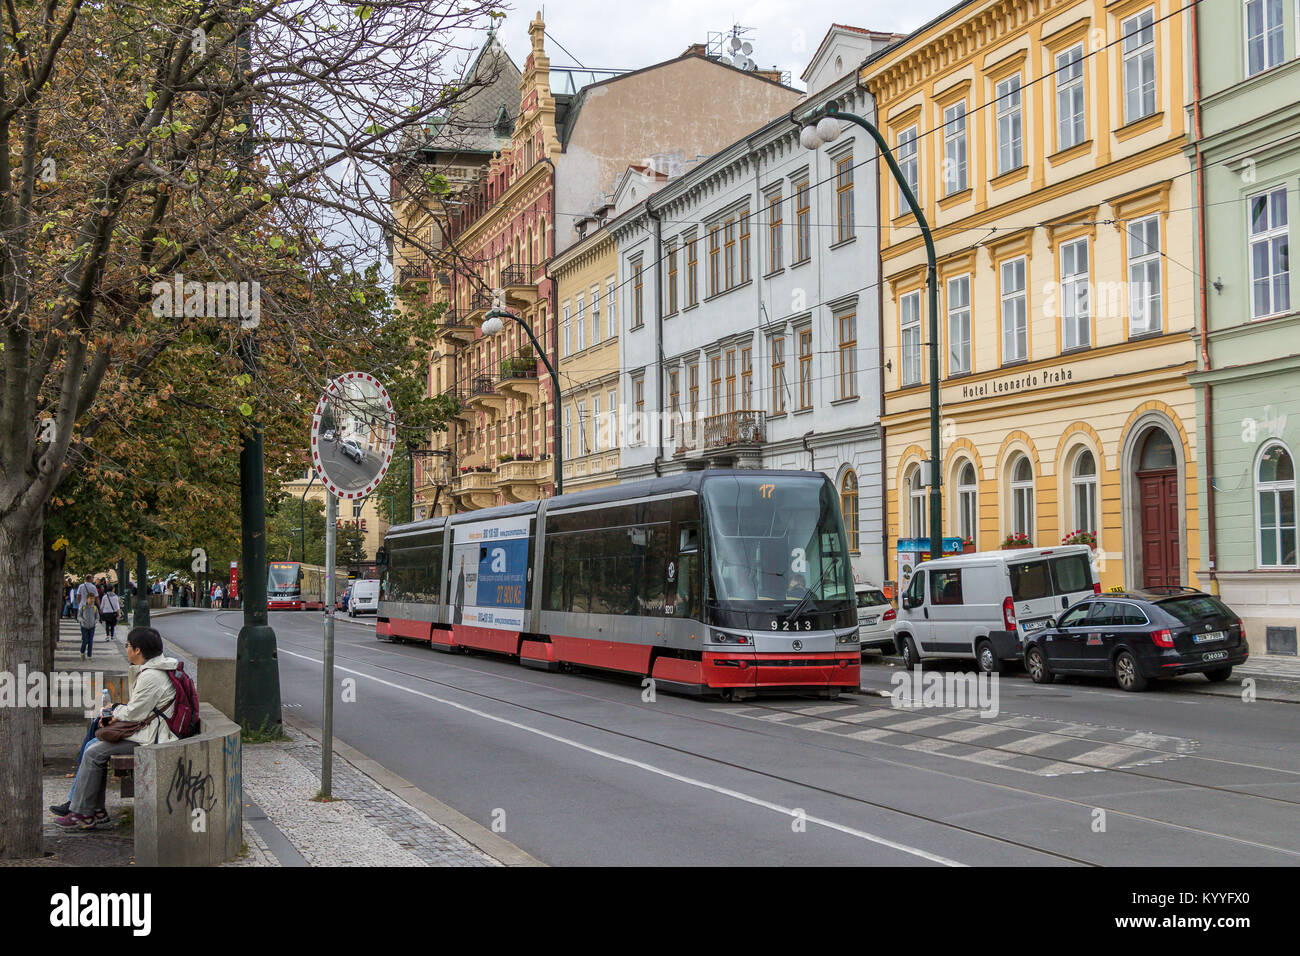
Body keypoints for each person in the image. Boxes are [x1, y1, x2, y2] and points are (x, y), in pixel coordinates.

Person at [54, 627, 179, 830]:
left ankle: (82, 814)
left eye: (128, 646)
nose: (127, 649)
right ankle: (95, 809)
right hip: (152, 731)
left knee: (94, 751)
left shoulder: (152, 676)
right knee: (95, 745)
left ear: (137, 650)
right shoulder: (156, 670)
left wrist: (113, 710)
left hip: (154, 738)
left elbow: (133, 713)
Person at [76, 594, 99, 660]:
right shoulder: (83, 607)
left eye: (93, 599)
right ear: (87, 599)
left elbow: (97, 617)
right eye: (90, 598)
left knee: (90, 641)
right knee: (85, 640)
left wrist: (95, 621)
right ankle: (82, 652)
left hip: (92, 626)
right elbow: (79, 616)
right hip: (84, 626)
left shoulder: (94, 608)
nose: (92, 600)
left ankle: (89, 656)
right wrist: (82, 620)